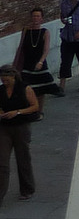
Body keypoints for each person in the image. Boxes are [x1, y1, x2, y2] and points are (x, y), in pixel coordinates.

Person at [0, 65, 40, 205]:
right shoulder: (1, 91)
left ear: (13, 77)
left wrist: (17, 112)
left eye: (6, 80)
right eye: (2, 79)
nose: (4, 82)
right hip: (4, 128)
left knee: (23, 158)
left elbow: (35, 106)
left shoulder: (25, 88)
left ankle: (27, 189)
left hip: (21, 126)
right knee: (2, 161)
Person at [13, 8, 57, 98]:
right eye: (34, 16)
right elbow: (21, 46)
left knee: (41, 89)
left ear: (41, 19)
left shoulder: (45, 32)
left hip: (39, 63)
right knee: (26, 86)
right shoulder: (26, 30)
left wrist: (41, 61)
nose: (35, 18)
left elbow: (46, 49)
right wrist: (17, 61)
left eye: (38, 16)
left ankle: (39, 110)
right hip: (27, 63)